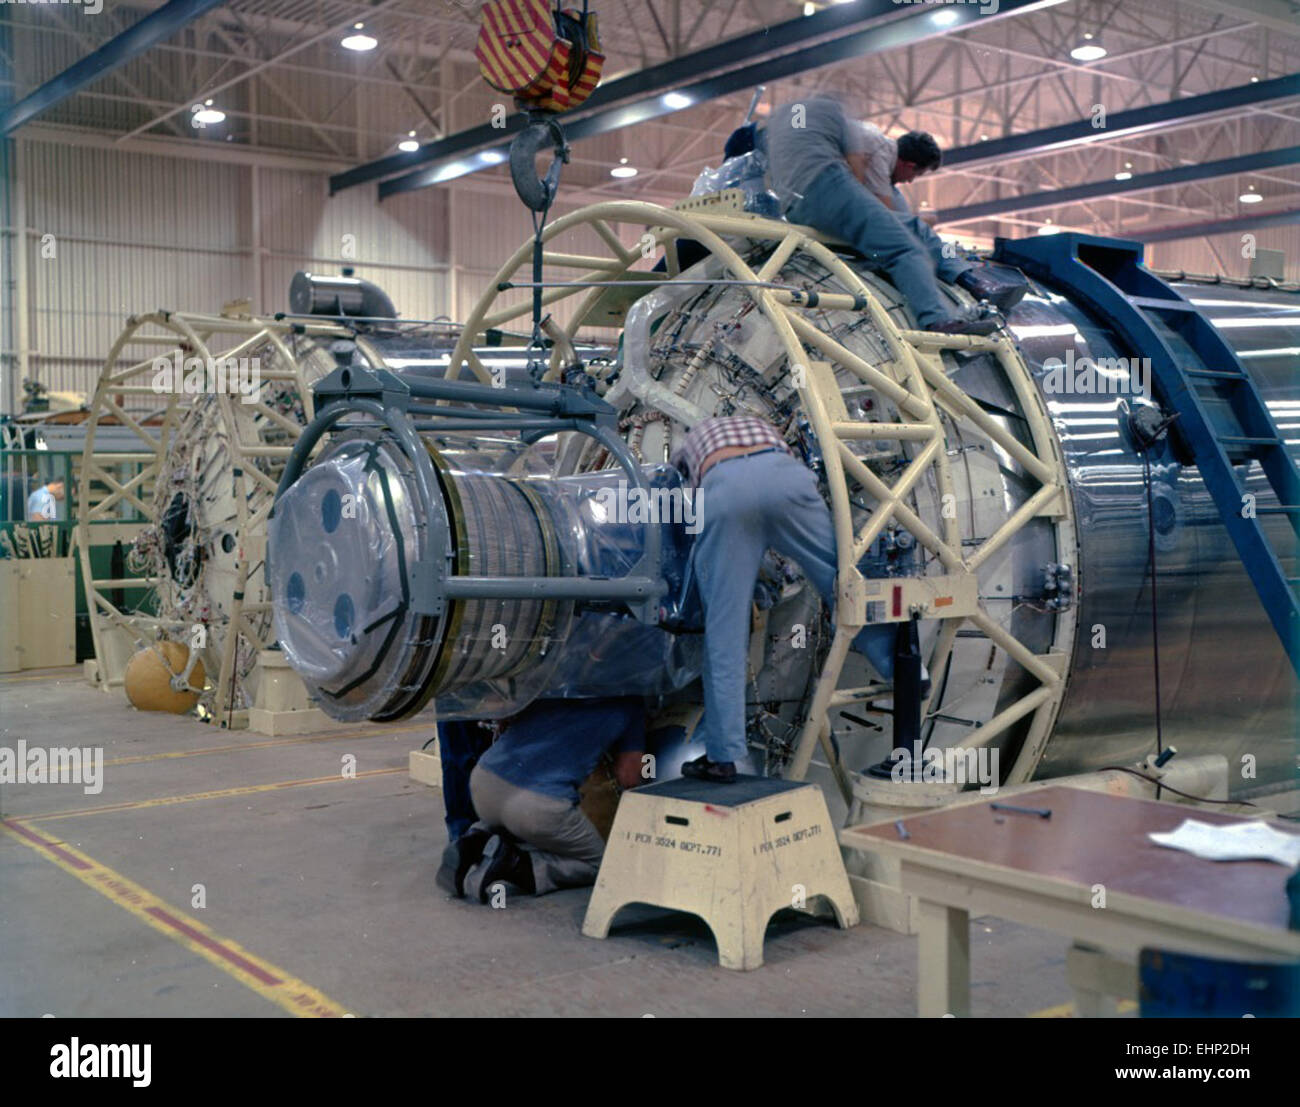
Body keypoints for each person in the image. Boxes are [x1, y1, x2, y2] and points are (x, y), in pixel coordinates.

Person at [673, 415, 914, 784]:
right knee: (841, 582)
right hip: (787, 479)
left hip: (724, 490)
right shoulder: (759, 426)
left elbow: (686, 504)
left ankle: (722, 757)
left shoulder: (693, 441)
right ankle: (903, 671)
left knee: (724, 634)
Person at [764, 95, 1020, 334]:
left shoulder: (788, 127)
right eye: (916, 175)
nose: (910, 182)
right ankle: (945, 309)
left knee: (910, 230)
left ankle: (966, 279)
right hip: (828, 194)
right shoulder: (877, 145)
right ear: (909, 164)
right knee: (910, 245)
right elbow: (880, 204)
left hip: (798, 205)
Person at [437, 697, 645, 903]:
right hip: (535, 807)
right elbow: (629, 775)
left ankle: (476, 840)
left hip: (484, 781)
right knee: (601, 865)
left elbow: (505, 717)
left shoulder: (553, 680)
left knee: (523, 821)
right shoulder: (629, 703)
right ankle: (514, 864)